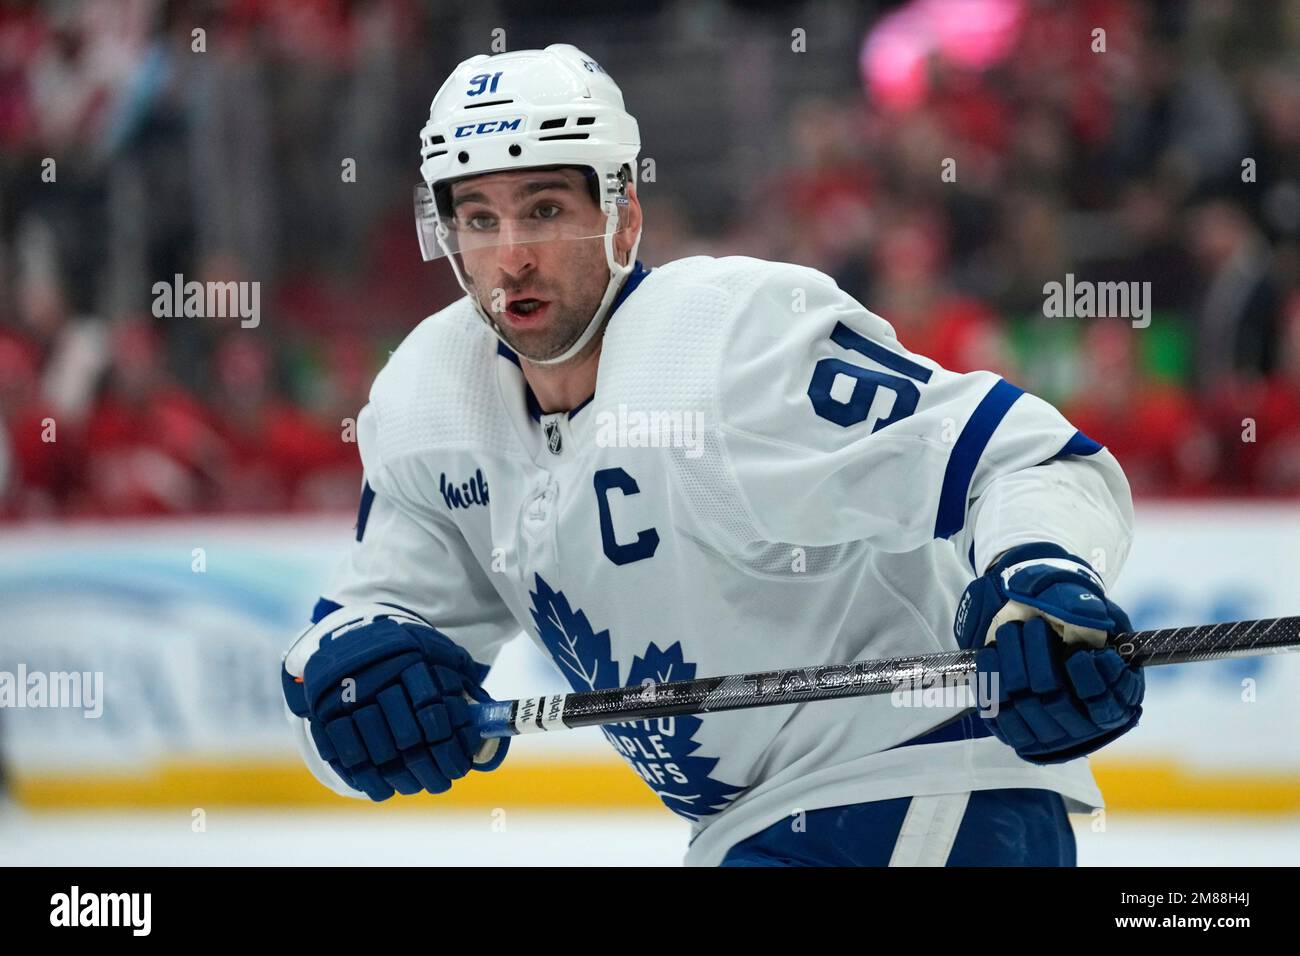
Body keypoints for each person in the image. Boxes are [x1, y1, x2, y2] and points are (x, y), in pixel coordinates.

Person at [280, 45, 1143, 867]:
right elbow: (348, 647)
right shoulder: (432, 397)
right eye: (478, 218)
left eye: (545, 209)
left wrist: (1040, 583)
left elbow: (1029, 459)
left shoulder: (735, 345)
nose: (511, 258)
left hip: (930, 776)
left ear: (622, 215)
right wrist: (359, 703)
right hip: (755, 826)